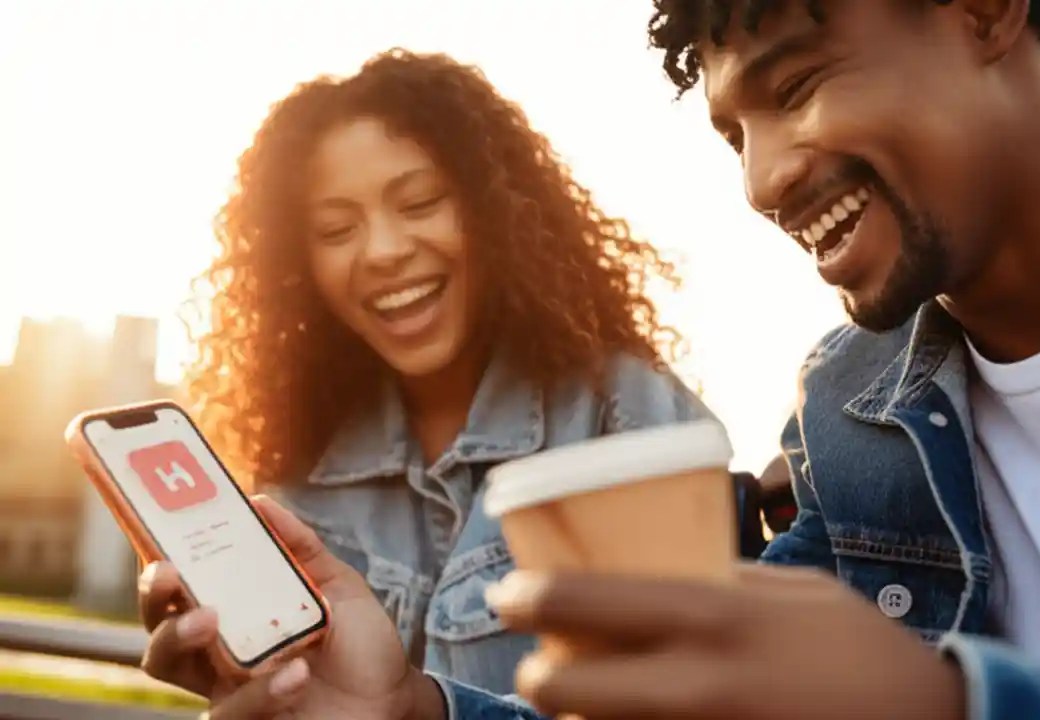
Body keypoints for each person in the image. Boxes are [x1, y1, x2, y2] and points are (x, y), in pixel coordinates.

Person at [146, 0, 1040, 717]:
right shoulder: (848, 410)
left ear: (982, 9)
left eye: (797, 88)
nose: (762, 179)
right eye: (734, 135)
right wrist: (407, 711)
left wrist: (946, 706)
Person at [135, 48, 719, 717]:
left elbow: (695, 694)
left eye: (419, 203)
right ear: (300, 265)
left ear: (496, 214)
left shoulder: (629, 416)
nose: (384, 250)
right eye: (336, 229)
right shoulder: (292, 482)